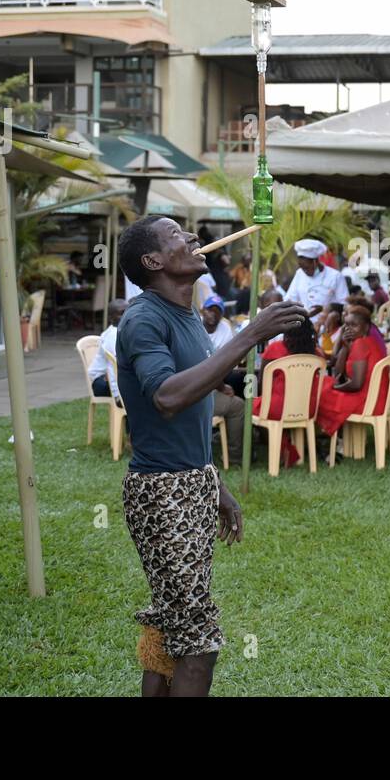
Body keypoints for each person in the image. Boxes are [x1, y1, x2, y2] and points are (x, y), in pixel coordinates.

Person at [114, 216, 306, 697]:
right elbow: (167, 397)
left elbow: (190, 414)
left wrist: (213, 483)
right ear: (153, 261)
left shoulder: (186, 317)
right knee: (198, 639)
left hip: (189, 483)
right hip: (162, 494)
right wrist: (248, 335)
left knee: (171, 622)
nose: (194, 238)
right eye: (177, 235)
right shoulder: (144, 319)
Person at [254, 315, 321, 468]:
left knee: (251, 407)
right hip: (307, 408)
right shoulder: (314, 352)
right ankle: (286, 447)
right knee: (263, 407)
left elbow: (261, 383)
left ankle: (283, 449)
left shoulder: (275, 348)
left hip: (277, 407)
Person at [316, 306, 388, 438]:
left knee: (319, 396)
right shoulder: (364, 342)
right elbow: (338, 371)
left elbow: (356, 384)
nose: (349, 329)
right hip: (376, 397)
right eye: (346, 325)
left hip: (367, 401)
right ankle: (337, 437)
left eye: (354, 325)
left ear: (366, 327)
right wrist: (344, 345)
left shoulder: (361, 344)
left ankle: (335, 438)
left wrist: (335, 388)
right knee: (324, 385)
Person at [283, 238, 348, 327]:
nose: (304, 271)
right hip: (304, 327)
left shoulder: (335, 276)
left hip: (327, 327)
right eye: (302, 267)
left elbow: (345, 305)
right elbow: (289, 299)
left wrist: (324, 309)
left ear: (315, 261)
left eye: (306, 267)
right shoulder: (299, 274)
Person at [88, 298, 129, 402]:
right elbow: (113, 367)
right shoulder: (113, 336)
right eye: (121, 313)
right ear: (111, 318)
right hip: (101, 383)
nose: (126, 315)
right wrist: (117, 396)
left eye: (128, 311)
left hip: (112, 378)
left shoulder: (123, 330)